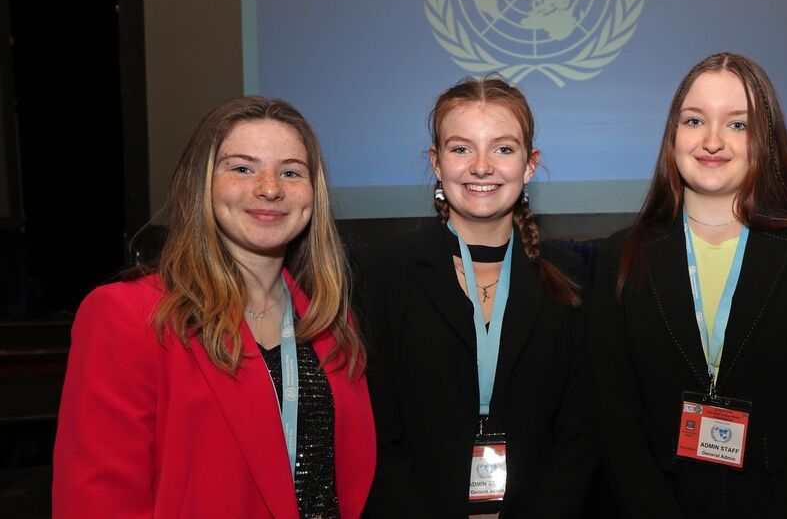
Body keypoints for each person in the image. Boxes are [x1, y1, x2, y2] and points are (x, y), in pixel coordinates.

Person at [53, 97, 375, 518]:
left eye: (291, 172)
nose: (270, 188)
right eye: (242, 168)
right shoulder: (129, 315)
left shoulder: (329, 322)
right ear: (201, 183)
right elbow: (96, 502)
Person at [588, 53, 787, 518]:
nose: (712, 140)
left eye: (738, 125)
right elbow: (615, 423)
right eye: (695, 120)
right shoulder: (623, 256)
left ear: (766, 140)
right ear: (673, 135)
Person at [360, 78, 597, 518]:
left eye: (503, 149)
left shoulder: (572, 277)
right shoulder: (383, 275)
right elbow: (376, 434)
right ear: (436, 162)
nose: (482, 167)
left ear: (530, 164)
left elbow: (579, 434)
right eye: (461, 148)